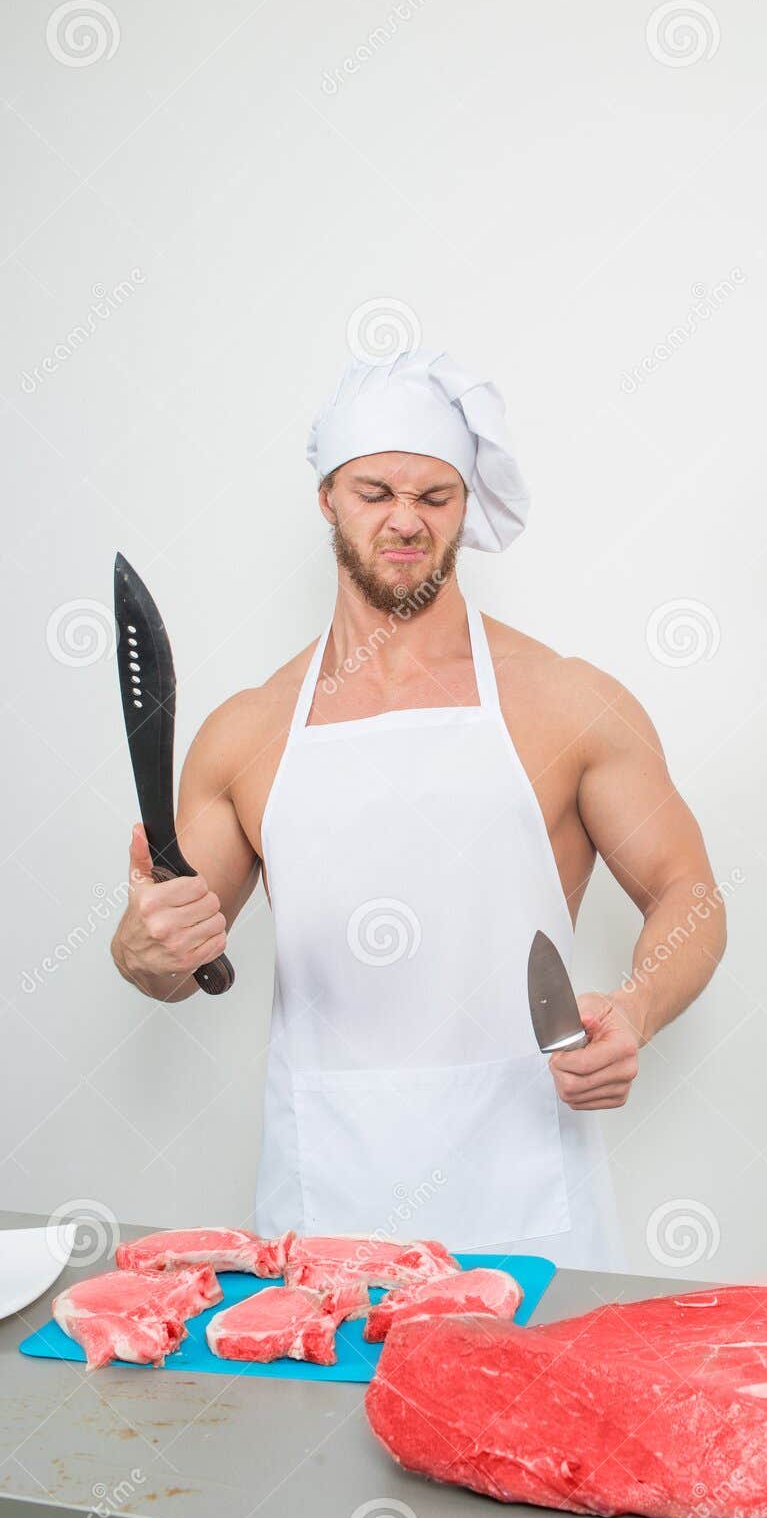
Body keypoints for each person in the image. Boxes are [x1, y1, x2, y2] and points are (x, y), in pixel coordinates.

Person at [110, 346, 726, 1272]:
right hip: (326, 1199)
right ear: (326, 498)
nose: (405, 521)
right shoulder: (246, 732)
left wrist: (637, 1005)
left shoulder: (566, 701)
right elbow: (166, 966)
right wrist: (145, 947)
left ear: (465, 507)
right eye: (374, 493)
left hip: (529, 1191)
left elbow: (691, 892)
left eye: (435, 497)